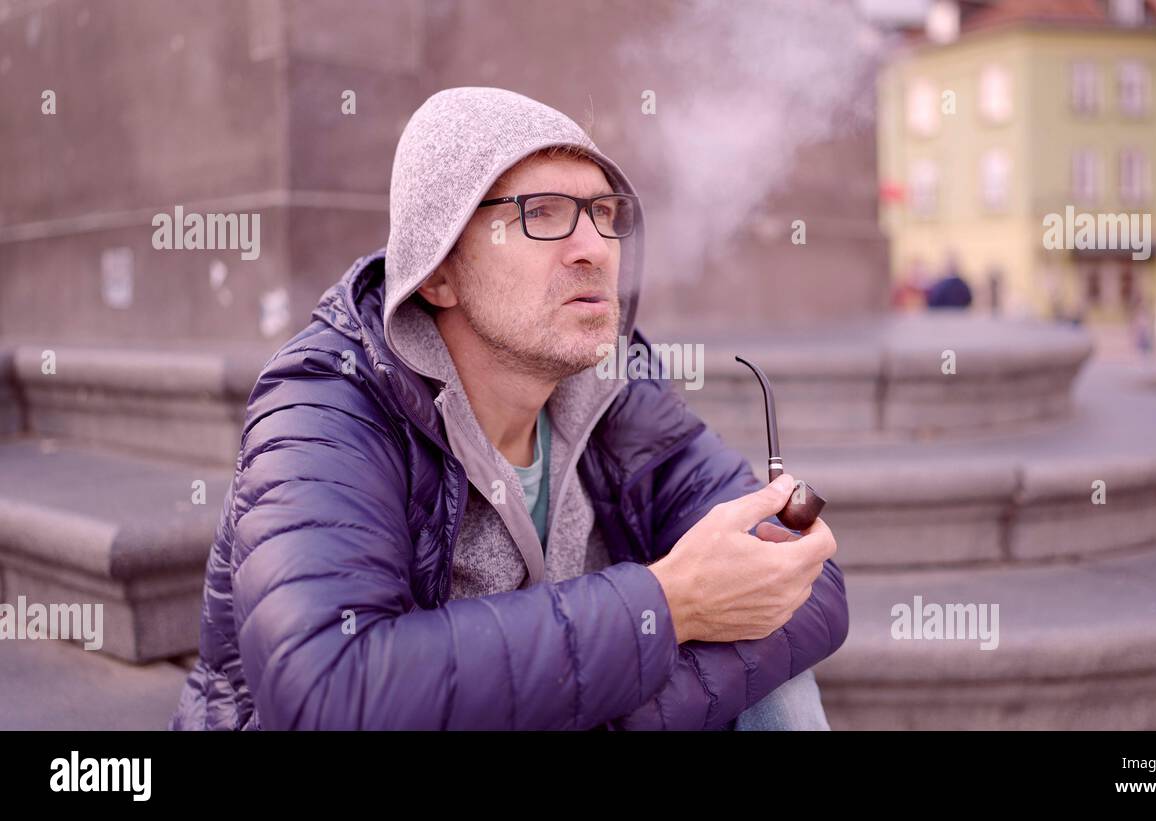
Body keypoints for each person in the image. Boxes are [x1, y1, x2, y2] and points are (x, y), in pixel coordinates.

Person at [168, 87, 848, 731]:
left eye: (603, 213)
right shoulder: (330, 402)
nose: (593, 248)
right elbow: (330, 689)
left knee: (780, 678)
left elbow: (810, 587)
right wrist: (670, 603)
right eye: (543, 212)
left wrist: (608, 705)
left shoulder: (618, 391)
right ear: (438, 271)